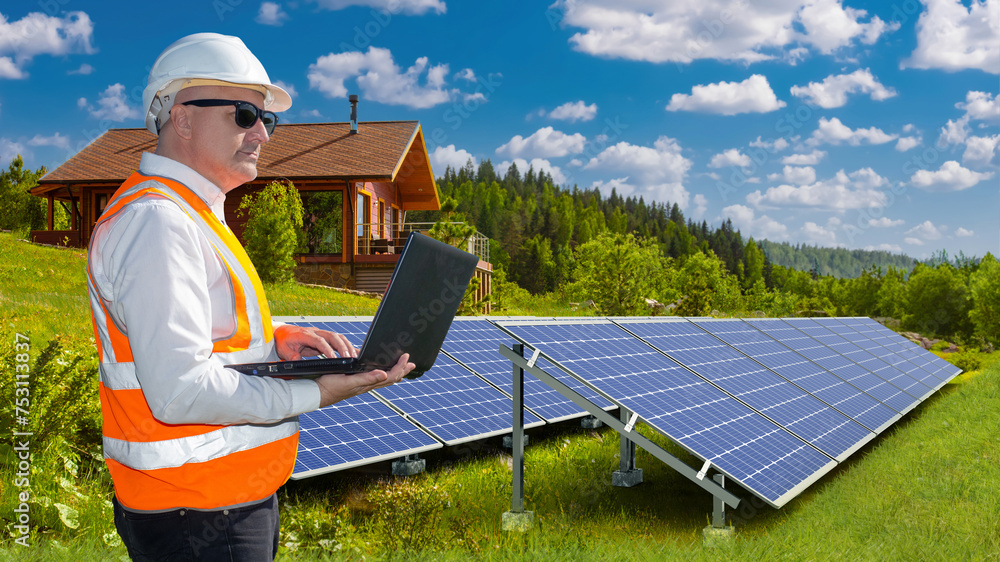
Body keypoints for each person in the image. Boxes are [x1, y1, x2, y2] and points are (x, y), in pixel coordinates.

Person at [86, 33, 414, 561]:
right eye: (243, 114)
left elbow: (204, 332)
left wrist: (278, 340)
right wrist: (317, 393)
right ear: (183, 117)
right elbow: (181, 392)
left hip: (216, 502)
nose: (262, 133)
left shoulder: (189, 211)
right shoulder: (158, 222)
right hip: (198, 514)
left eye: (267, 119)